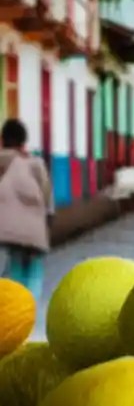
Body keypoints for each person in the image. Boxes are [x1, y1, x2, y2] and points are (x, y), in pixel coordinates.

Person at [0, 120, 54, 298]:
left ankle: (16, 316)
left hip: (6, 232)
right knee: (34, 273)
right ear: (24, 142)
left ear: (2, 140)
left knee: (14, 272)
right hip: (35, 234)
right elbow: (48, 201)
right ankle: (29, 313)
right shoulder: (35, 164)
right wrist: (47, 222)